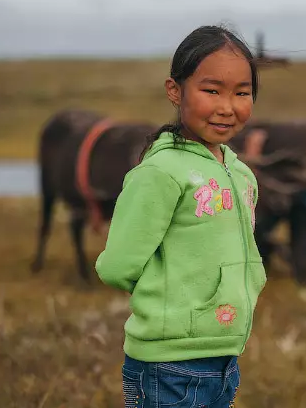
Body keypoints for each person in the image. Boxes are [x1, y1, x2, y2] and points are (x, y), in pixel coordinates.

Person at [95, 25, 266, 408]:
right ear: (176, 90)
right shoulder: (162, 172)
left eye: (242, 92)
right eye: (212, 90)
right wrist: (175, 299)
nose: (228, 106)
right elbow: (118, 266)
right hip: (166, 364)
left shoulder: (240, 174)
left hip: (223, 355)